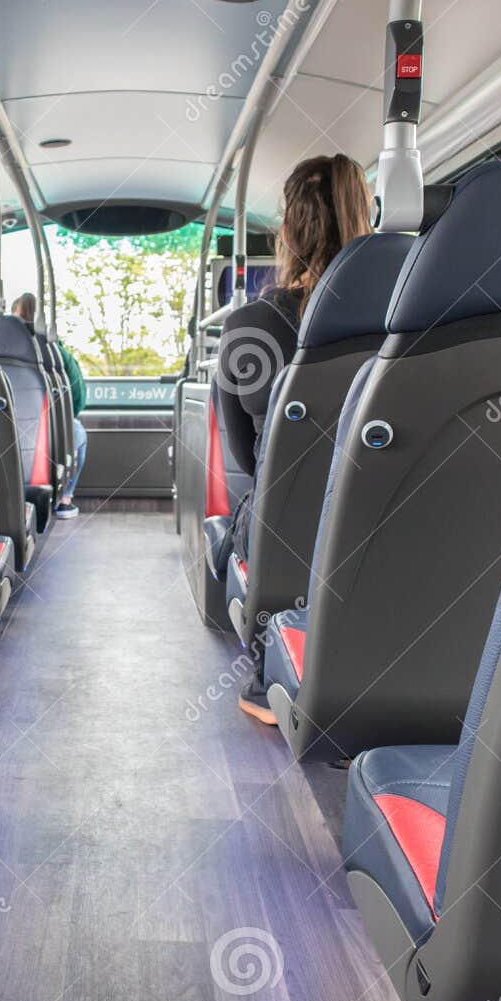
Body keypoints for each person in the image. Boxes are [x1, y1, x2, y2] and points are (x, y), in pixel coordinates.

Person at [217, 153, 374, 725]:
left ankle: (275, 664)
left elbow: (246, 458)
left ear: (286, 231)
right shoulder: (418, 322)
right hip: (392, 536)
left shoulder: (248, 329)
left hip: (285, 535)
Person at [10, 293, 87, 518]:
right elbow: (78, 398)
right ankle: (64, 499)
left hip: (4, 424)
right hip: (49, 430)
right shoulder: (58, 355)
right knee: (78, 433)